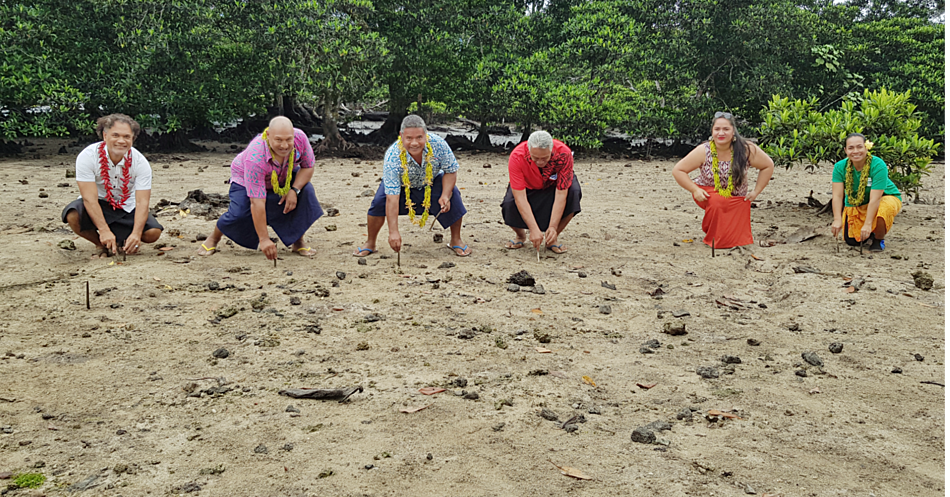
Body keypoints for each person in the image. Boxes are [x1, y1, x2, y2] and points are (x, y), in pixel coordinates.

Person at [198, 116, 323, 259]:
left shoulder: (301, 138)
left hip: (284, 174)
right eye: (278, 140)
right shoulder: (255, 156)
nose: (284, 146)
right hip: (245, 179)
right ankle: (214, 238)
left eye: (289, 139)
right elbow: (257, 202)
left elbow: (308, 167)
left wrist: (294, 190)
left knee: (305, 192)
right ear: (268, 135)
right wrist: (264, 239)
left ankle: (298, 240)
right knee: (238, 213)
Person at [354, 114, 471, 257]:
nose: (414, 143)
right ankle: (370, 243)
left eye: (419, 137)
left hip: (432, 180)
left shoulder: (439, 144)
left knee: (454, 196)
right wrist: (393, 232)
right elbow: (392, 198)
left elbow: (451, 170)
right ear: (401, 136)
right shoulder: (393, 156)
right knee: (379, 202)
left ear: (425, 135)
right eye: (409, 138)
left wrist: (445, 195)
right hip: (401, 186)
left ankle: (456, 240)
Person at [62, 114, 163, 257]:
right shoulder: (88, 156)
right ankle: (101, 244)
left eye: (127, 137)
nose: (121, 141)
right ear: (105, 135)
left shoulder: (140, 162)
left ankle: (123, 241)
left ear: (132, 139)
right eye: (115, 135)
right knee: (73, 215)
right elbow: (89, 199)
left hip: (127, 205)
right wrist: (103, 231)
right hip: (99, 202)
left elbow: (142, 201)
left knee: (153, 233)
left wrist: (136, 233)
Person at [672, 112, 774, 249]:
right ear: (712, 132)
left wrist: (756, 192)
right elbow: (678, 170)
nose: (721, 133)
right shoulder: (703, 150)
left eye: (726, 129)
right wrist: (694, 189)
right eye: (717, 129)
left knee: (737, 239)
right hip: (707, 192)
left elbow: (768, 165)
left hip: (737, 197)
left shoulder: (746, 149)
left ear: (733, 132)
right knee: (718, 202)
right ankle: (714, 237)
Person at [501, 130, 581, 254]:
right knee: (509, 204)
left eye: (545, 158)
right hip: (528, 185)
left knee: (574, 193)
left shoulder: (564, 154)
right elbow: (520, 197)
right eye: (535, 158)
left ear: (551, 150)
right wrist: (533, 229)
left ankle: (552, 238)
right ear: (528, 150)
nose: (540, 162)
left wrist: (553, 227)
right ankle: (520, 235)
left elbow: (561, 194)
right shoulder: (517, 156)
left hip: (553, 185)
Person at [830, 133, 901, 252]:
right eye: (851, 148)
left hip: (884, 197)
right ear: (845, 150)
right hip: (857, 201)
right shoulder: (840, 167)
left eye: (859, 147)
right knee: (852, 241)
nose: (855, 151)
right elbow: (837, 195)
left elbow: (875, 198)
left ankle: (878, 239)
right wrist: (837, 219)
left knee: (883, 208)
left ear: (866, 148)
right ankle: (871, 232)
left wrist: (867, 224)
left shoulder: (878, 165)